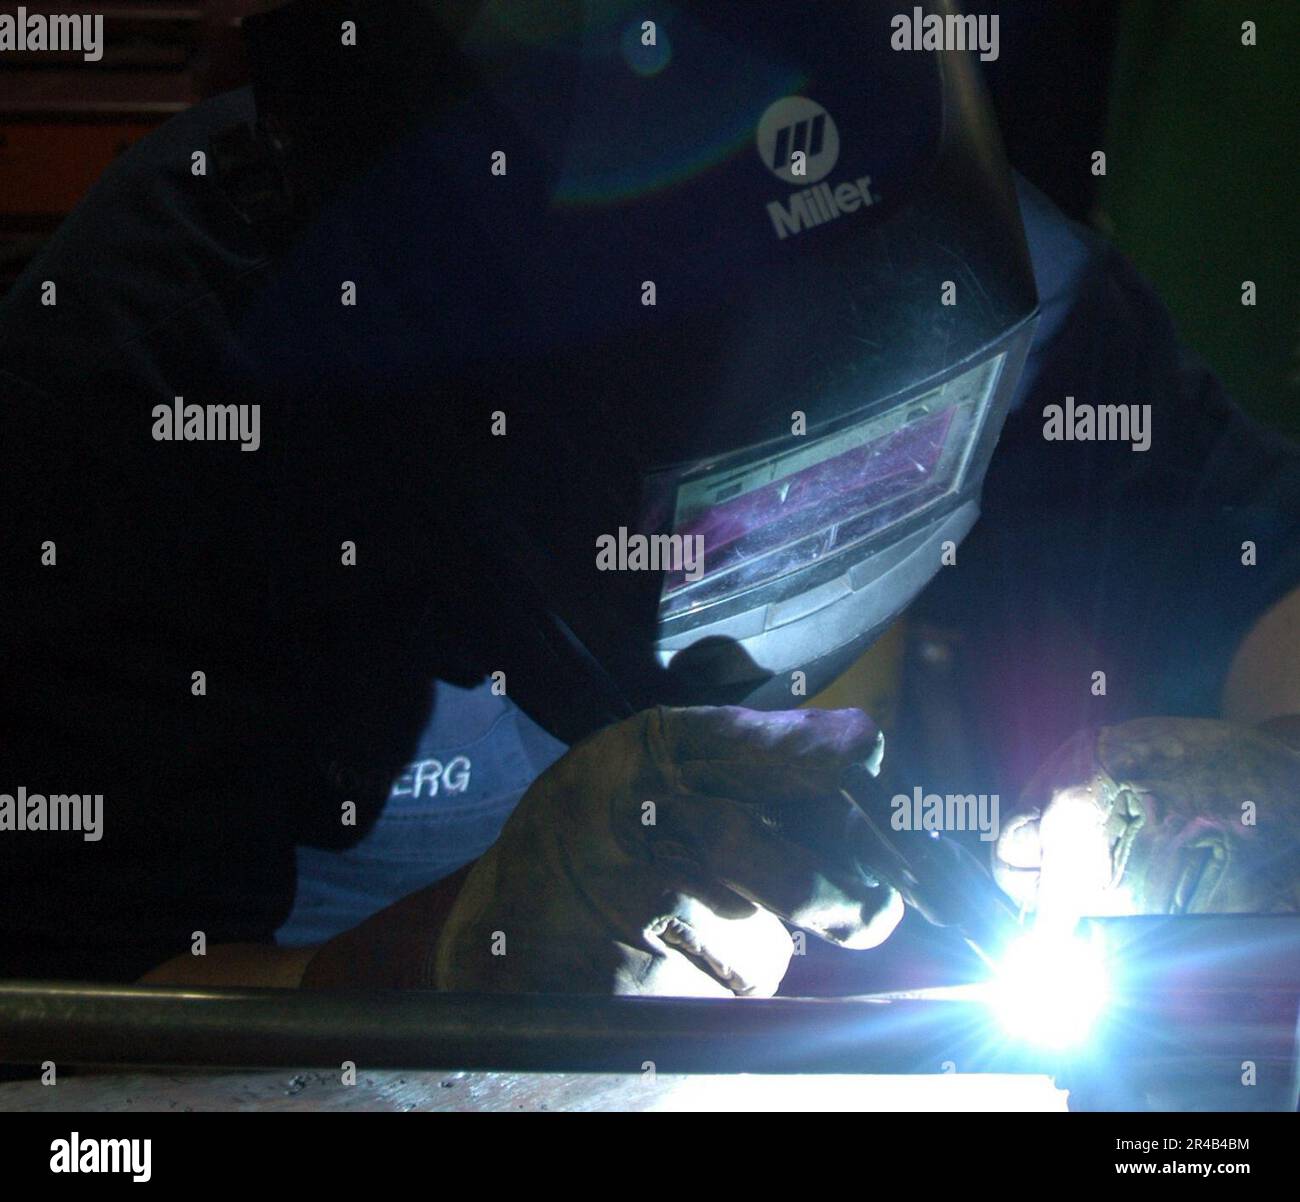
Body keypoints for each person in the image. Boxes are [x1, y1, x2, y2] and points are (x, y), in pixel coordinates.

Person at [2, 0, 1297, 998]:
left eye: (893, 468)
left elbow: (1270, 592)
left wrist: (1270, 783)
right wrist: (469, 955)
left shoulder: (992, 280)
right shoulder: (166, 367)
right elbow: (80, 1032)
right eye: (724, 529)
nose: (807, 575)